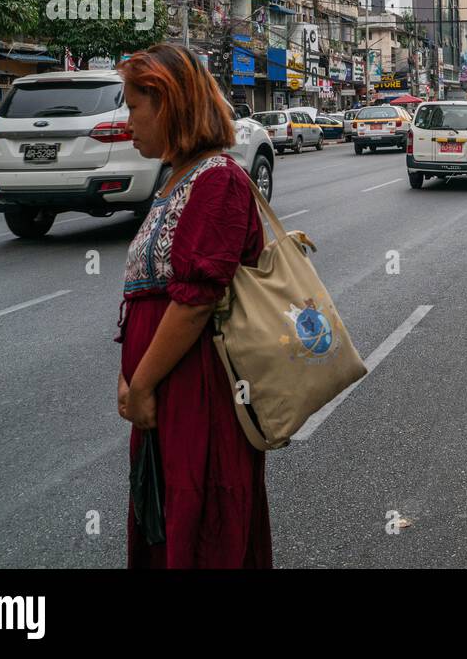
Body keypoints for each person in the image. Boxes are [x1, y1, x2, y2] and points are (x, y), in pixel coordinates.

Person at [115, 44, 272, 569]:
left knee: (201, 526)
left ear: (167, 104)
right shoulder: (174, 178)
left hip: (200, 392)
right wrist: (132, 376)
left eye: (134, 105)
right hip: (166, 391)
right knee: (165, 521)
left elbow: (194, 301)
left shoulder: (219, 180)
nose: (127, 119)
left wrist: (141, 384)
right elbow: (146, 291)